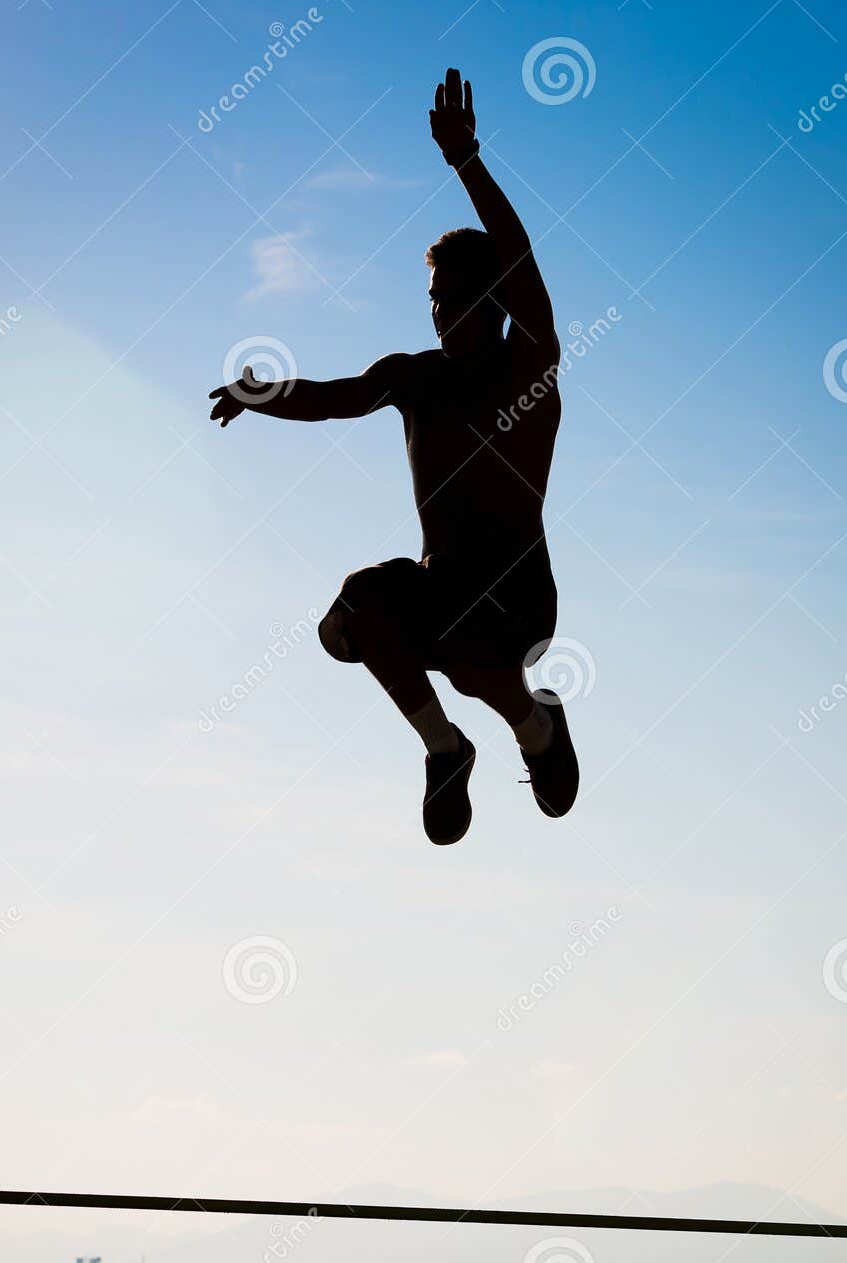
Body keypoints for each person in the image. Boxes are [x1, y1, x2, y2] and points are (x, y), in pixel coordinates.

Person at [209, 68, 579, 846]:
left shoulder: (529, 367)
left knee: (479, 658)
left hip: (515, 600)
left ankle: (537, 732)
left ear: (493, 301)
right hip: (441, 587)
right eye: (433, 299)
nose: (440, 312)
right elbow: (340, 395)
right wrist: (262, 394)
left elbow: (523, 266)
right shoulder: (417, 377)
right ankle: (446, 751)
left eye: (454, 297)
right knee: (354, 614)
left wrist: (466, 162)